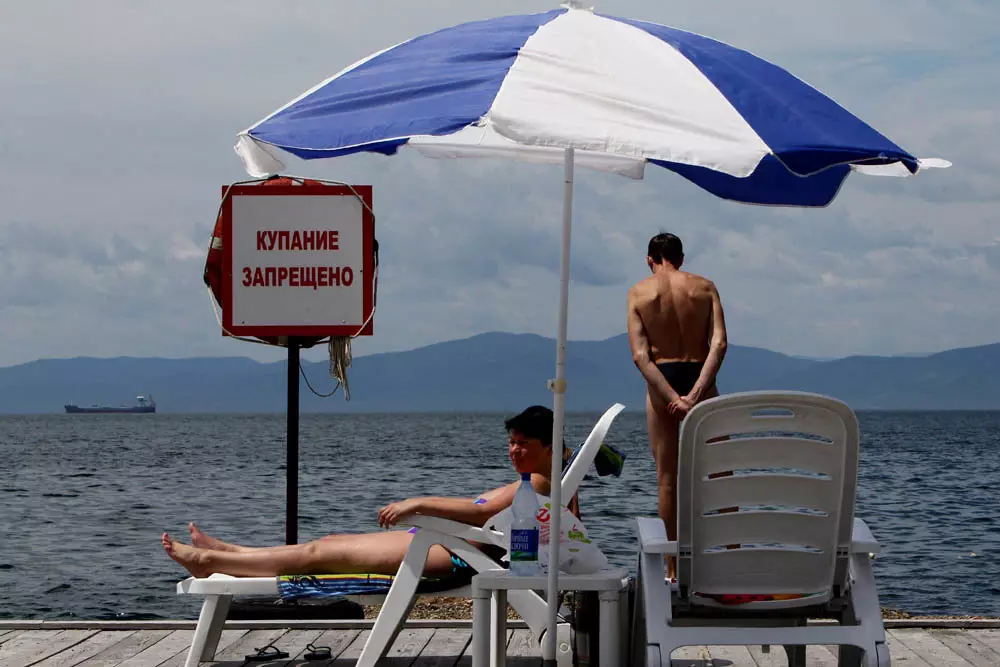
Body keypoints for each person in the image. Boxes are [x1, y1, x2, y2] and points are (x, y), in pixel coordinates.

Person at [162, 405, 571, 579]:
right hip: (452, 543)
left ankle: (209, 561)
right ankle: (228, 553)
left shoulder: (539, 482)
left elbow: (478, 512)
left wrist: (418, 503)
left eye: (524, 444)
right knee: (330, 543)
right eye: (512, 442)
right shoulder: (542, 478)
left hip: (461, 555)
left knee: (320, 555)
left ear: (548, 446)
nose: (514, 451)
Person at [627, 232, 727, 577]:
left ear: (649, 259)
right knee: (721, 473)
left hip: (663, 380)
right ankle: (728, 555)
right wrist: (697, 392)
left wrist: (672, 397)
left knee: (667, 479)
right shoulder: (705, 287)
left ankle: (672, 568)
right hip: (701, 375)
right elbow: (719, 344)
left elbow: (640, 356)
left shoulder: (639, 293)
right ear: (681, 258)